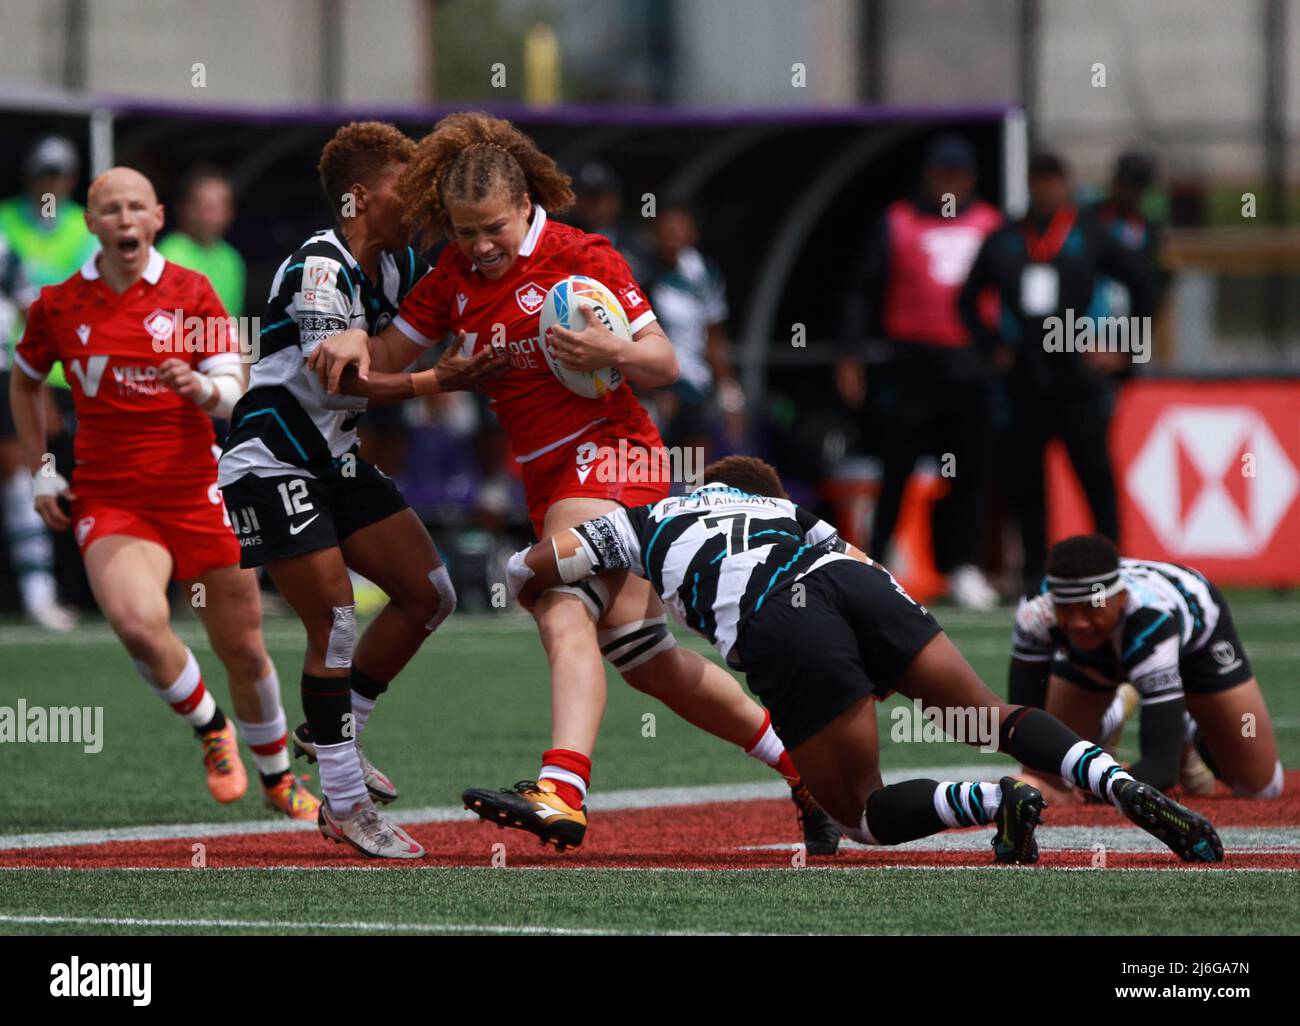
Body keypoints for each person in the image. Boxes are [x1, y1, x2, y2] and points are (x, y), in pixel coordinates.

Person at [307, 111, 841, 856]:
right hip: (551, 476)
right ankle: (809, 769)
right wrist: (353, 333)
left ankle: (561, 787)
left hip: (614, 454)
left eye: (493, 228)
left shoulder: (579, 254)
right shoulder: (453, 279)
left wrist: (613, 346)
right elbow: (387, 360)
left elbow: (664, 365)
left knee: (556, 598)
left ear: (527, 204)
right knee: (644, 653)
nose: (480, 246)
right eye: (464, 231)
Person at [503, 455, 1224, 864]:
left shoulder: (647, 517)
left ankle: (995, 800)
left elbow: (542, 561)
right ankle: (1117, 780)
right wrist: (875, 656)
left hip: (779, 621)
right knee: (989, 719)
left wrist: (522, 585)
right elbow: (861, 564)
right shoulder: (788, 513)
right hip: (855, 585)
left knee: (859, 815)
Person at [218, 122, 502, 859]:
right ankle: (343, 802)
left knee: (430, 593)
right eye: (399, 186)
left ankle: (333, 728)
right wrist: (444, 379)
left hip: (333, 458)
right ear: (355, 198)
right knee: (338, 624)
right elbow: (342, 385)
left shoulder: (402, 261)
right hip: (271, 459)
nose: (415, 199)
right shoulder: (319, 264)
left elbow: (412, 334)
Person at [10, 166, 317, 819]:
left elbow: (236, 387)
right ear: (91, 223)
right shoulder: (60, 304)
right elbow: (26, 378)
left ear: (156, 219)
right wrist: (43, 468)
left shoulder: (191, 289)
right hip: (111, 499)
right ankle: (212, 727)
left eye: (135, 208)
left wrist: (201, 390)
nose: (124, 219)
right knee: (137, 625)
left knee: (244, 647)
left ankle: (278, 776)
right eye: (110, 209)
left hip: (197, 489)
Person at [958, 152, 1155, 594]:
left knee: (1095, 476)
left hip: (1077, 378)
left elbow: (1143, 282)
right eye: (1038, 181)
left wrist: (1125, 352)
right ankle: (1034, 576)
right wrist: (993, 348)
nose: (1046, 190)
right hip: (1024, 381)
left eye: (1054, 181)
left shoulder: (1088, 234)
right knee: (1026, 483)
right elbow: (968, 299)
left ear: (1065, 185)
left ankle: (1113, 570)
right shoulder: (1007, 238)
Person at [837, 135, 1004, 609]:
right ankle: (884, 557)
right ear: (928, 175)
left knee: (971, 467)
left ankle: (964, 565)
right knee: (898, 464)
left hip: (970, 363)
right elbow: (863, 290)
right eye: (940, 173)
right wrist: (849, 354)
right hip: (911, 362)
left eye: (957, 173)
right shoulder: (897, 221)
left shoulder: (990, 225)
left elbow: (1012, 289)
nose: (948, 183)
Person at [1008, 534, 1283, 801]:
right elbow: (1023, 722)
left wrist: (1097, 786)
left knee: (1260, 786)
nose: (1079, 622)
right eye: (1067, 610)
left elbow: (1161, 769)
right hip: (1094, 658)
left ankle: (1185, 728)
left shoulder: (1152, 622)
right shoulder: (1037, 611)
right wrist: (1049, 774)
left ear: (1122, 598)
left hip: (1196, 645)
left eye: (1092, 608)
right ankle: (1113, 716)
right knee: (1044, 776)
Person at [0, 136, 99, 629]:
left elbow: (96, 298)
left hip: (57, 374)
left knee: (47, 482)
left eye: (58, 174)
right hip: (21, 372)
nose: (50, 183)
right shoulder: (6, 220)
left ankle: (61, 589)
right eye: (44, 173)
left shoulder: (85, 228)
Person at [640, 203, 744, 460]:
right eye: (666, 228)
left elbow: (714, 332)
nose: (673, 235)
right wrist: (654, 389)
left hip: (696, 384)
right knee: (650, 465)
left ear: (692, 233)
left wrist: (729, 392)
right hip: (656, 382)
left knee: (694, 470)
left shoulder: (705, 273)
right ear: (655, 233)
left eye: (680, 228)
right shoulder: (641, 273)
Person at [157, 165, 246, 318]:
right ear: (182, 208)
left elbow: (235, 321)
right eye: (204, 206)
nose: (213, 216)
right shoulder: (167, 256)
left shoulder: (232, 259)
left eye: (220, 207)